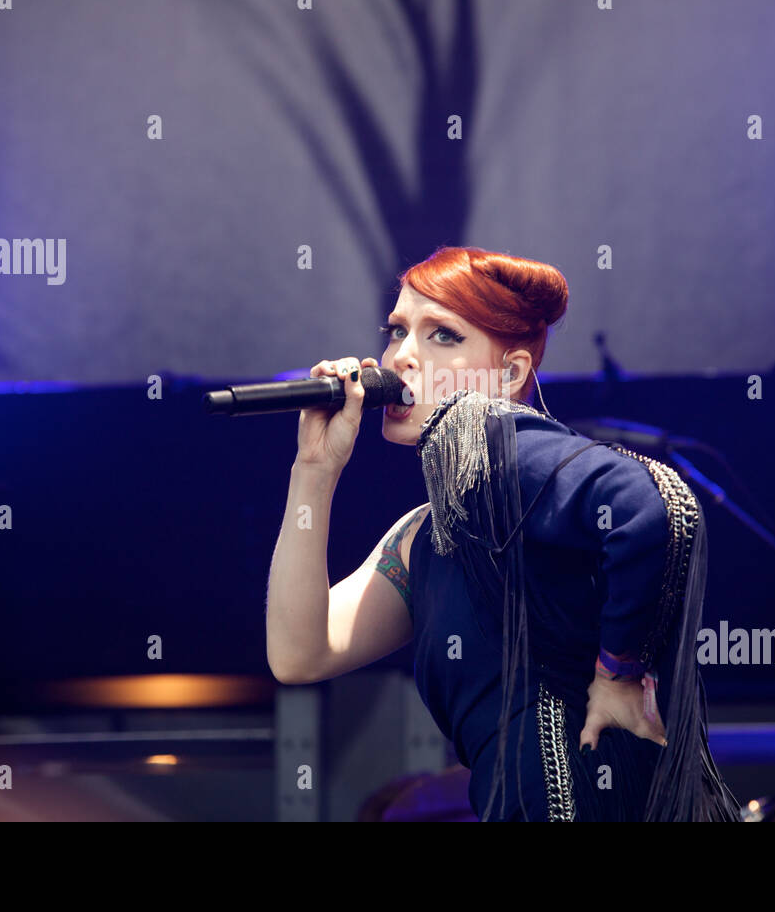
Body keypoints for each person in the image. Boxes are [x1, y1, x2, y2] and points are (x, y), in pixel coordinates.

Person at [266, 246, 739, 821]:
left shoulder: (508, 448)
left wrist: (619, 674)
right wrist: (313, 472)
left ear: (510, 374)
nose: (401, 357)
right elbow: (301, 653)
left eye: (442, 335)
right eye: (396, 331)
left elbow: (646, 504)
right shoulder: (425, 533)